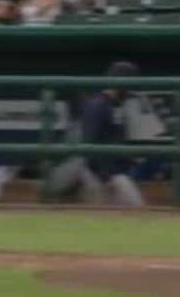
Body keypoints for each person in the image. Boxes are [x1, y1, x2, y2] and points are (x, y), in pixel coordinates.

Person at [39, 61, 146, 207]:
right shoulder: (98, 105)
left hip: (111, 172)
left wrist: (129, 159)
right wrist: (105, 176)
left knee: (123, 213)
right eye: (130, 84)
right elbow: (89, 143)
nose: (130, 91)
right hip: (96, 174)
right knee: (132, 209)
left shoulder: (115, 106)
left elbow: (111, 140)